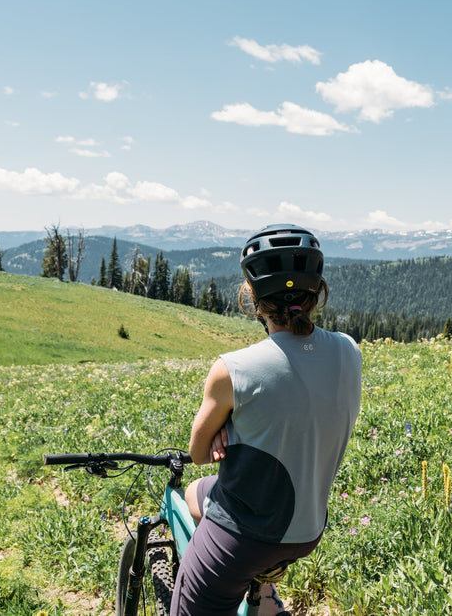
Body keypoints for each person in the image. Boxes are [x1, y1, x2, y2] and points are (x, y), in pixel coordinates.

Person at [171, 224, 362, 616]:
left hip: (245, 538)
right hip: (308, 528)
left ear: (253, 299)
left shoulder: (233, 369)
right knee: (195, 494)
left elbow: (199, 454)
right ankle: (266, 595)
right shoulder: (348, 351)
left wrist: (224, 431)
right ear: (316, 294)